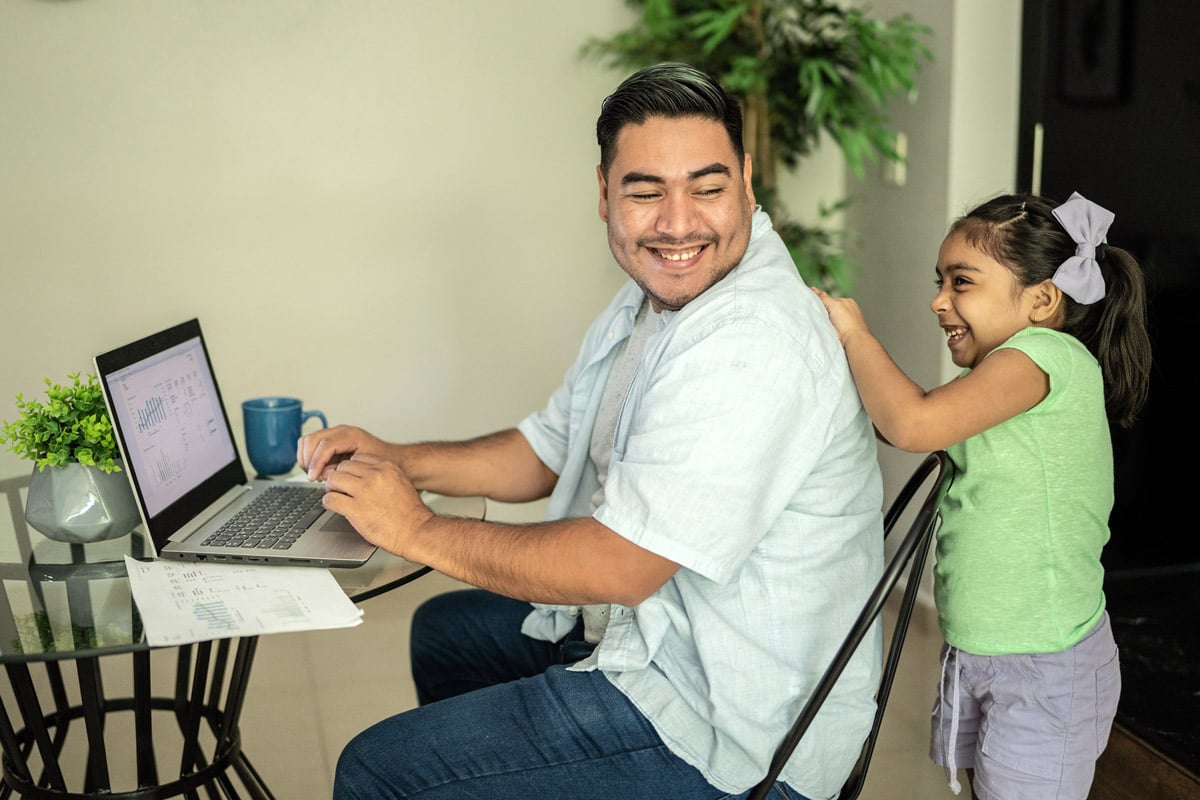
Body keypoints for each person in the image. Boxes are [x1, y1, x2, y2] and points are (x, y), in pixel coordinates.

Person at [299, 62, 884, 800]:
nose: (678, 223)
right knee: (446, 630)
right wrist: (400, 461)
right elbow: (545, 451)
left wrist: (413, 529)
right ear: (604, 195)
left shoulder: (751, 343)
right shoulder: (657, 297)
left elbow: (620, 568)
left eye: (707, 188)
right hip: (662, 634)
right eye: (646, 192)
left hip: (737, 727)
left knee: (377, 770)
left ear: (745, 184)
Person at [814, 191, 1152, 800]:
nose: (938, 301)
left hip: (1043, 666)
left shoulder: (1043, 356)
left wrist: (853, 332)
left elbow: (911, 424)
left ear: (1042, 299)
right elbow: (904, 417)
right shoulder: (998, 374)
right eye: (939, 281)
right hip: (982, 652)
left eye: (961, 281)